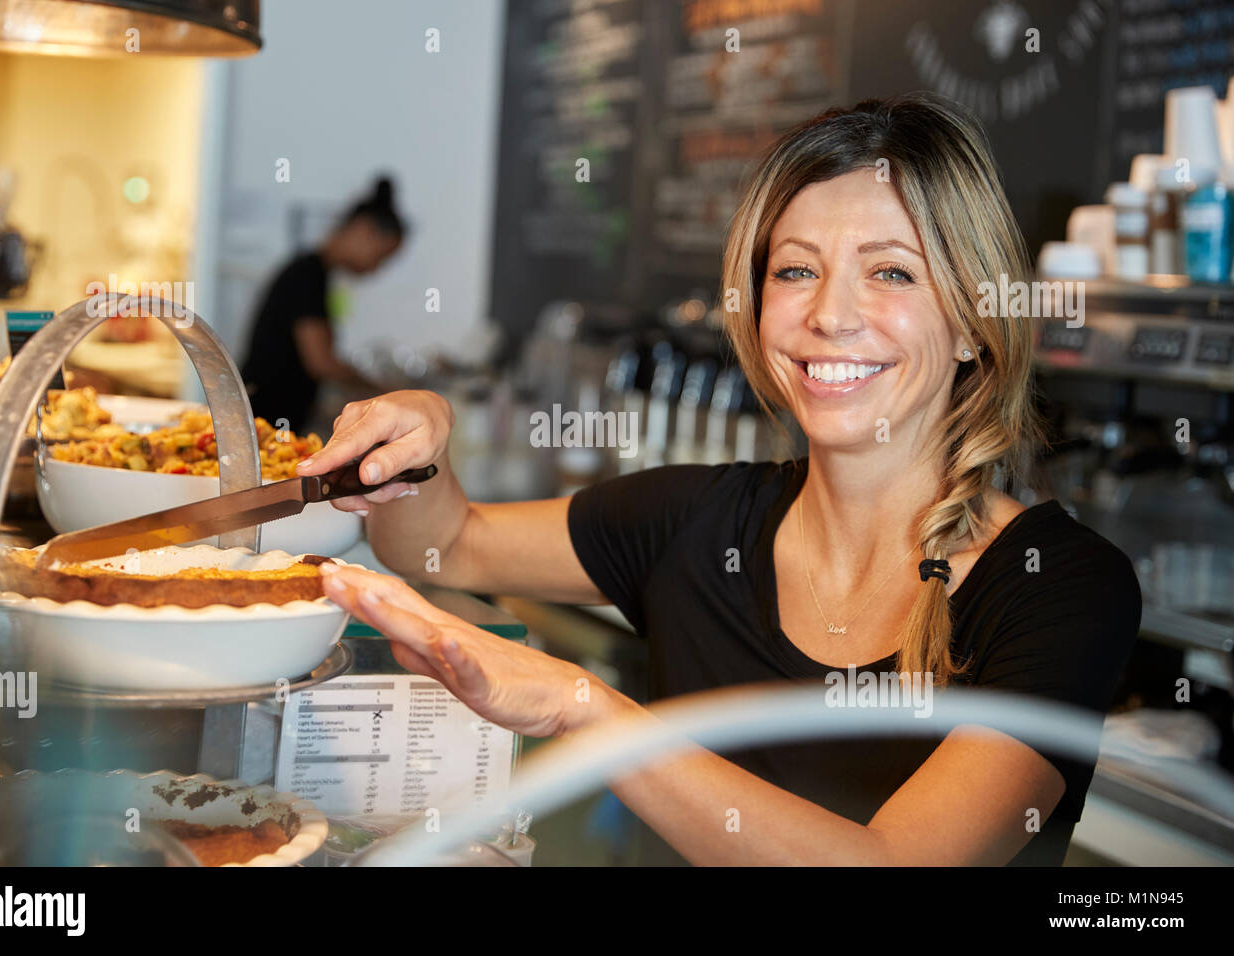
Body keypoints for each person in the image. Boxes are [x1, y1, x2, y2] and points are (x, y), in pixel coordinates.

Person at [296, 94, 1141, 866]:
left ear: (972, 324)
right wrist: (418, 441)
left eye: (891, 272)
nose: (829, 316)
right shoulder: (694, 521)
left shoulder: (1057, 587)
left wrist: (585, 709)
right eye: (796, 270)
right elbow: (445, 545)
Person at [239, 177, 405, 433]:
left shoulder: (316, 273)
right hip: (264, 421)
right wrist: (382, 391)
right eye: (381, 256)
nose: (376, 268)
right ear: (364, 230)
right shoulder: (307, 275)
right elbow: (321, 361)